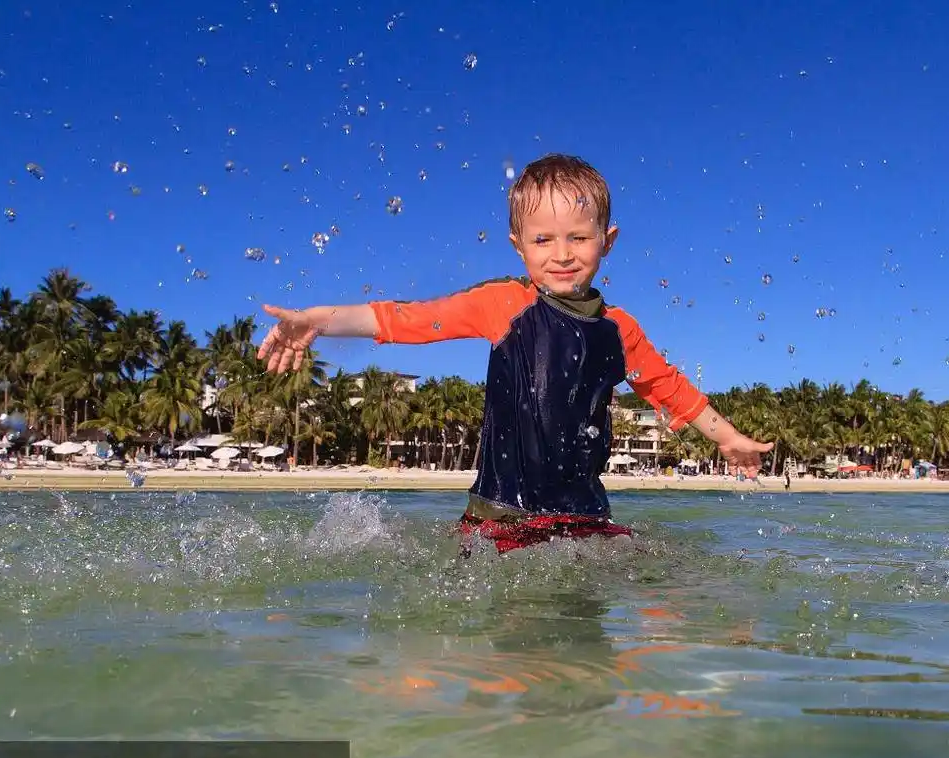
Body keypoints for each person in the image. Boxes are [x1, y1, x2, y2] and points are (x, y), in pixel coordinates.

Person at [256, 154, 773, 554]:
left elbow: (669, 388)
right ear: (518, 246)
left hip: (585, 517)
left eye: (579, 237)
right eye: (543, 239)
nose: (563, 253)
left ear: (606, 241)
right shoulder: (503, 305)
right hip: (501, 517)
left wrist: (728, 438)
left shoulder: (619, 330)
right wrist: (318, 321)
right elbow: (406, 319)